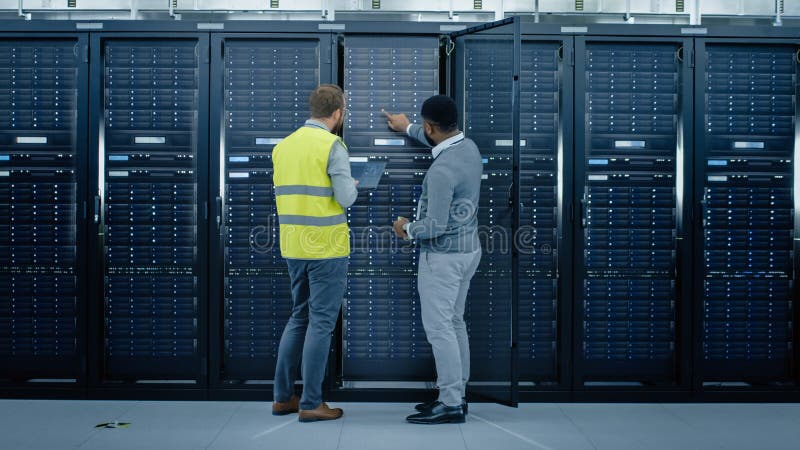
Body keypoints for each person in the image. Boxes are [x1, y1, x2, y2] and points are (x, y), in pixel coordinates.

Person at [383, 95, 483, 425]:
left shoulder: (441, 171)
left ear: (431, 126)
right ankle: (457, 395)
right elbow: (434, 137)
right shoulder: (469, 147)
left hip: (443, 258)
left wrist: (405, 228)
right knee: (455, 323)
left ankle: (451, 403)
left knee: (440, 329)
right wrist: (407, 126)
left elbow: (435, 226)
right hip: (469, 251)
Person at [271, 84, 358, 423]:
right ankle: (311, 402)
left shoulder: (284, 146)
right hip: (326, 246)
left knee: (299, 317)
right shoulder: (331, 145)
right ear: (337, 113)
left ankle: (282, 398)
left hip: (294, 244)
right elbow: (346, 197)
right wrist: (353, 185)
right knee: (321, 322)